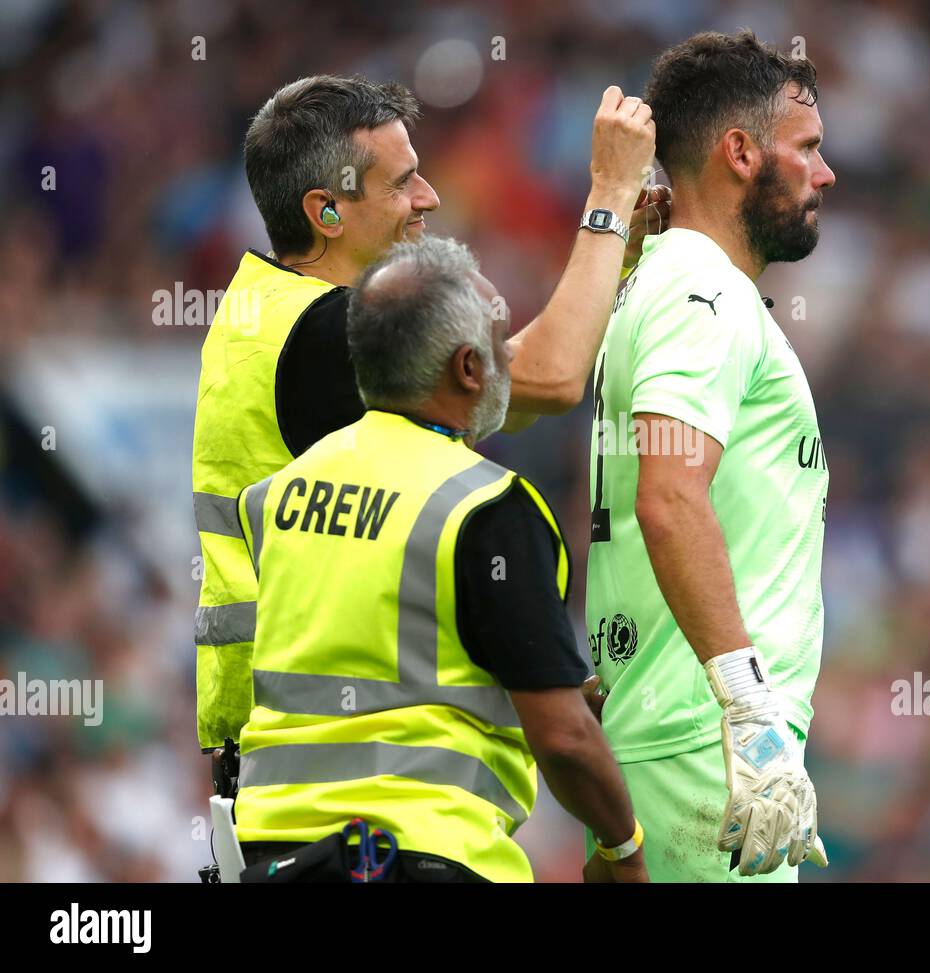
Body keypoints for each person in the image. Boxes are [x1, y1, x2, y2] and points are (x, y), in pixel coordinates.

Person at [193, 74, 662, 754]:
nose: (429, 198)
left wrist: (614, 256)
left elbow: (506, 397)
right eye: (401, 183)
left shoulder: (269, 314)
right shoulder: (326, 335)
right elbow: (554, 378)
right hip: (319, 751)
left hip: (288, 735)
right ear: (326, 211)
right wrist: (610, 198)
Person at [233, 236, 647, 883]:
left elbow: (373, 652)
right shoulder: (490, 507)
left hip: (271, 855)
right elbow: (564, 739)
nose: (513, 356)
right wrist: (625, 848)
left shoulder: (275, 493)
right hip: (422, 853)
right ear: (468, 369)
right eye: (501, 339)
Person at [584, 30, 835, 881]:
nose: (824, 173)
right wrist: (751, 717)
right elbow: (668, 498)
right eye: (807, 149)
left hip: (673, 734)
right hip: (706, 748)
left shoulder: (657, 281)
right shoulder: (704, 291)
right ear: (740, 152)